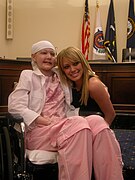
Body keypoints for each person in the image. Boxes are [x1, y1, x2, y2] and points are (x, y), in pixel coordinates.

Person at [8, 41, 123, 180]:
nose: (48, 56)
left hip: (63, 126)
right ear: (33, 57)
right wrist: (41, 119)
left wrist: (97, 84)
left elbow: (82, 72)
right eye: (43, 53)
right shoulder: (28, 76)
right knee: (79, 124)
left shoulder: (60, 75)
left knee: (98, 121)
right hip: (39, 131)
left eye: (52, 53)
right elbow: (15, 106)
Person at [57, 46, 115, 126]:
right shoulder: (68, 84)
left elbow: (110, 115)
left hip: (96, 129)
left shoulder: (93, 84)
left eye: (75, 63)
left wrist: (98, 134)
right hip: (79, 127)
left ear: (83, 62)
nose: (72, 69)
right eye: (67, 67)